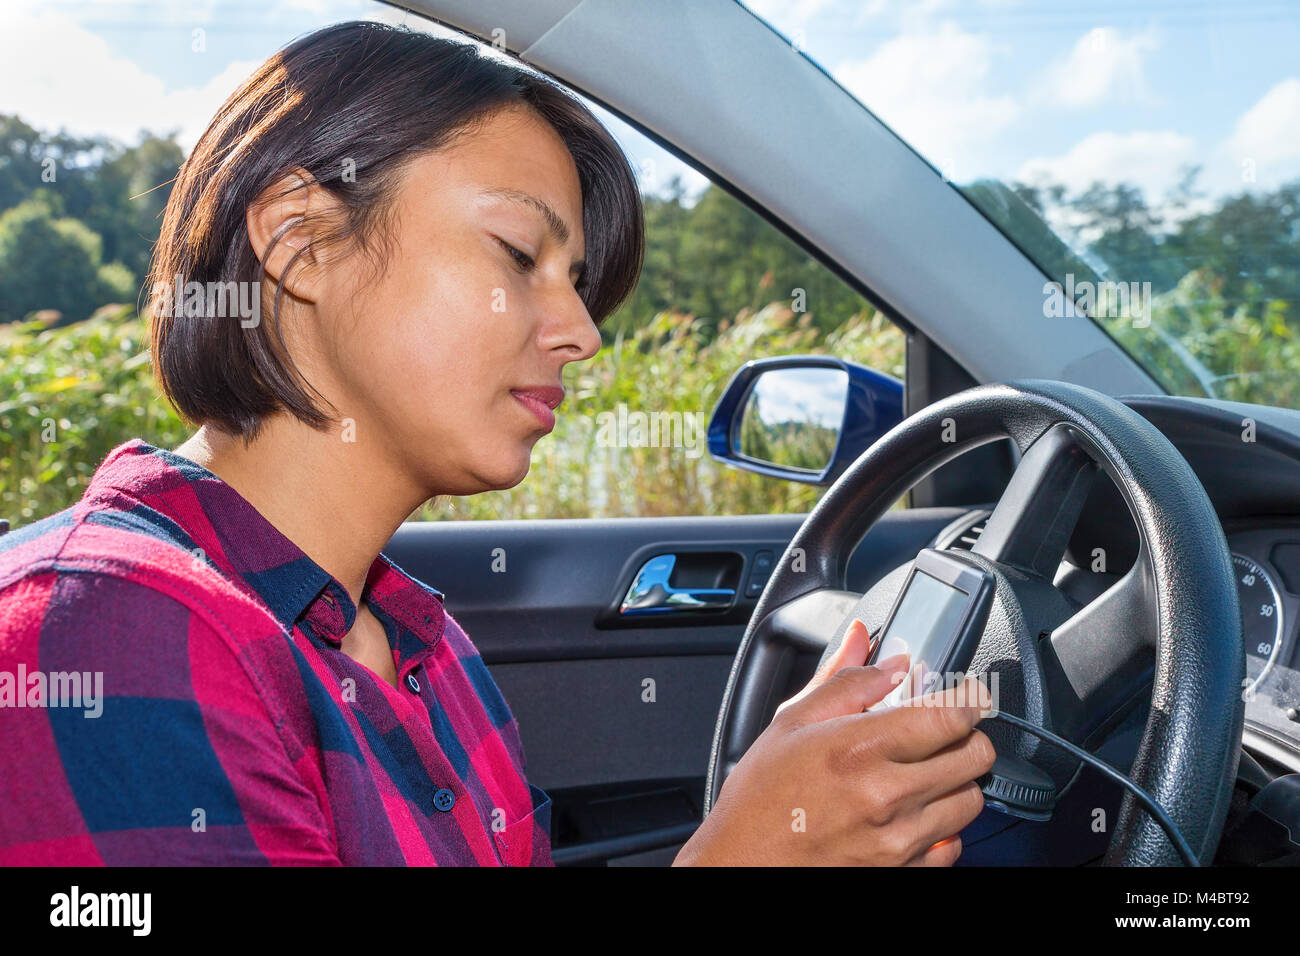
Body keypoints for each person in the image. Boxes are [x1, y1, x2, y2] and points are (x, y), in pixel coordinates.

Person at [0, 20, 994, 866]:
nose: (582, 332)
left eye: (576, 278)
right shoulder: (114, 629)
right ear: (302, 243)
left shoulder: (423, 641)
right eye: (519, 254)